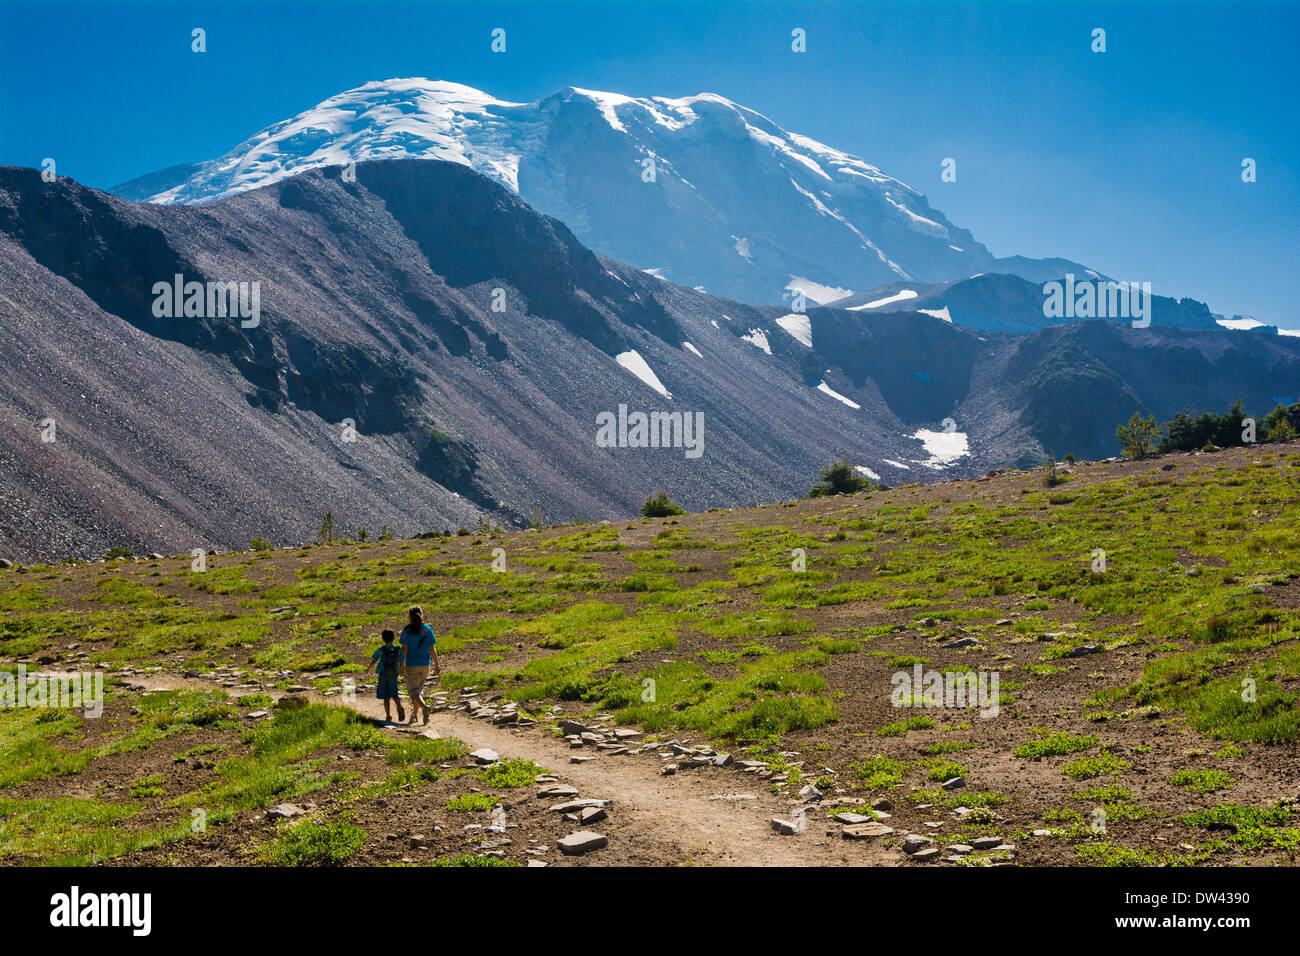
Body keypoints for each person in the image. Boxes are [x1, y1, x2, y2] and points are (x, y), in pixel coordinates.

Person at [399, 605, 440, 724]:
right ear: (421, 614)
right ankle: (415, 715)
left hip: (411, 665)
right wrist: (437, 664)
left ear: (409, 617)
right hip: (425, 664)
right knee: (419, 691)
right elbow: (432, 648)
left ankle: (424, 707)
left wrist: (401, 664)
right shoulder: (427, 629)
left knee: (413, 692)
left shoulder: (406, 631)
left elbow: (404, 650)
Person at [364, 629, 405, 723]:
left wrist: (368, 668)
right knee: (394, 692)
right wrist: (402, 670)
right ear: (394, 638)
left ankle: (388, 715)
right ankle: (399, 706)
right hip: (394, 674)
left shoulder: (380, 649)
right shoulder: (398, 649)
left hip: (383, 674)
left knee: (386, 695)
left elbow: (374, 660)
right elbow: (401, 661)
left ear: (383, 639)